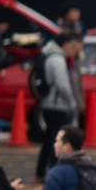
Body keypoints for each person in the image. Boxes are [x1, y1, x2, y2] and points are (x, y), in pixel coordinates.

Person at [32, 34, 82, 181]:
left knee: (49, 140)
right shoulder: (58, 60)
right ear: (64, 44)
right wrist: (72, 103)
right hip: (57, 105)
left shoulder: (48, 55)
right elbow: (62, 85)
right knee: (57, 141)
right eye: (70, 45)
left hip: (48, 104)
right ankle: (53, 173)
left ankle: (41, 172)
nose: (71, 49)